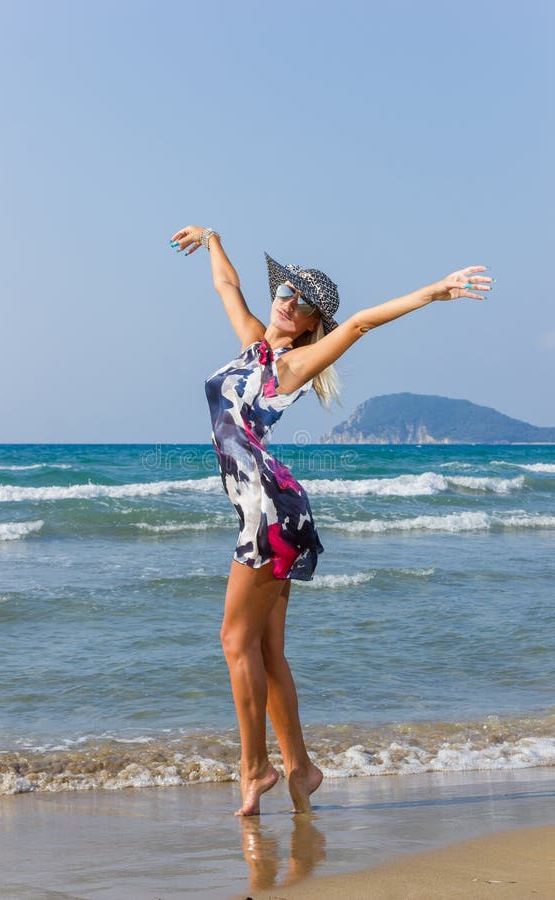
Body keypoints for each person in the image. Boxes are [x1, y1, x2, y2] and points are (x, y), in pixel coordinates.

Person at [168, 224, 493, 816]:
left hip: (269, 510)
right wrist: (213, 237)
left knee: (235, 642)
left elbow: (362, 322)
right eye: (285, 290)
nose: (287, 301)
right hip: (267, 507)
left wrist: (434, 292)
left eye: (301, 303)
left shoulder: (292, 365)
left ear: (311, 323)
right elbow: (226, 285)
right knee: (266, 651)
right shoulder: (250, 347)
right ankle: (301, 769)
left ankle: (255, 768)